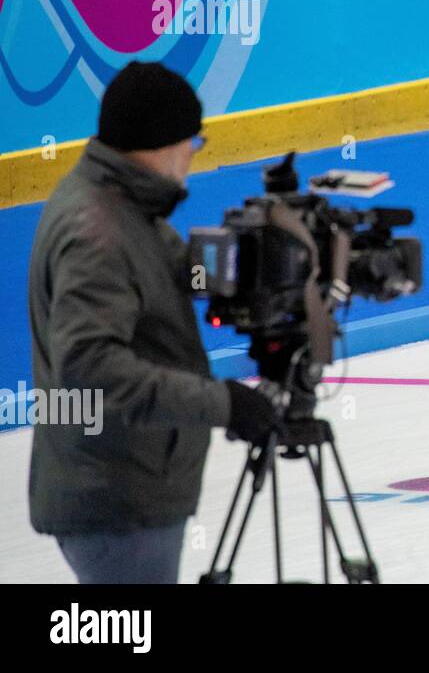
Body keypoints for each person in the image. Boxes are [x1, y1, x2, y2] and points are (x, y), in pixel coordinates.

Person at [28, 61, 278, 583]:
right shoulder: (98, 232)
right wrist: (222, 404)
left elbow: (170, 273)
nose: (193, 155)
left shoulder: (116, 207)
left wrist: (250, 268)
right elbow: (93, 366)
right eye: (193, 142)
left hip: (119, 481)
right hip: (117, 495)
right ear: (163, 144)